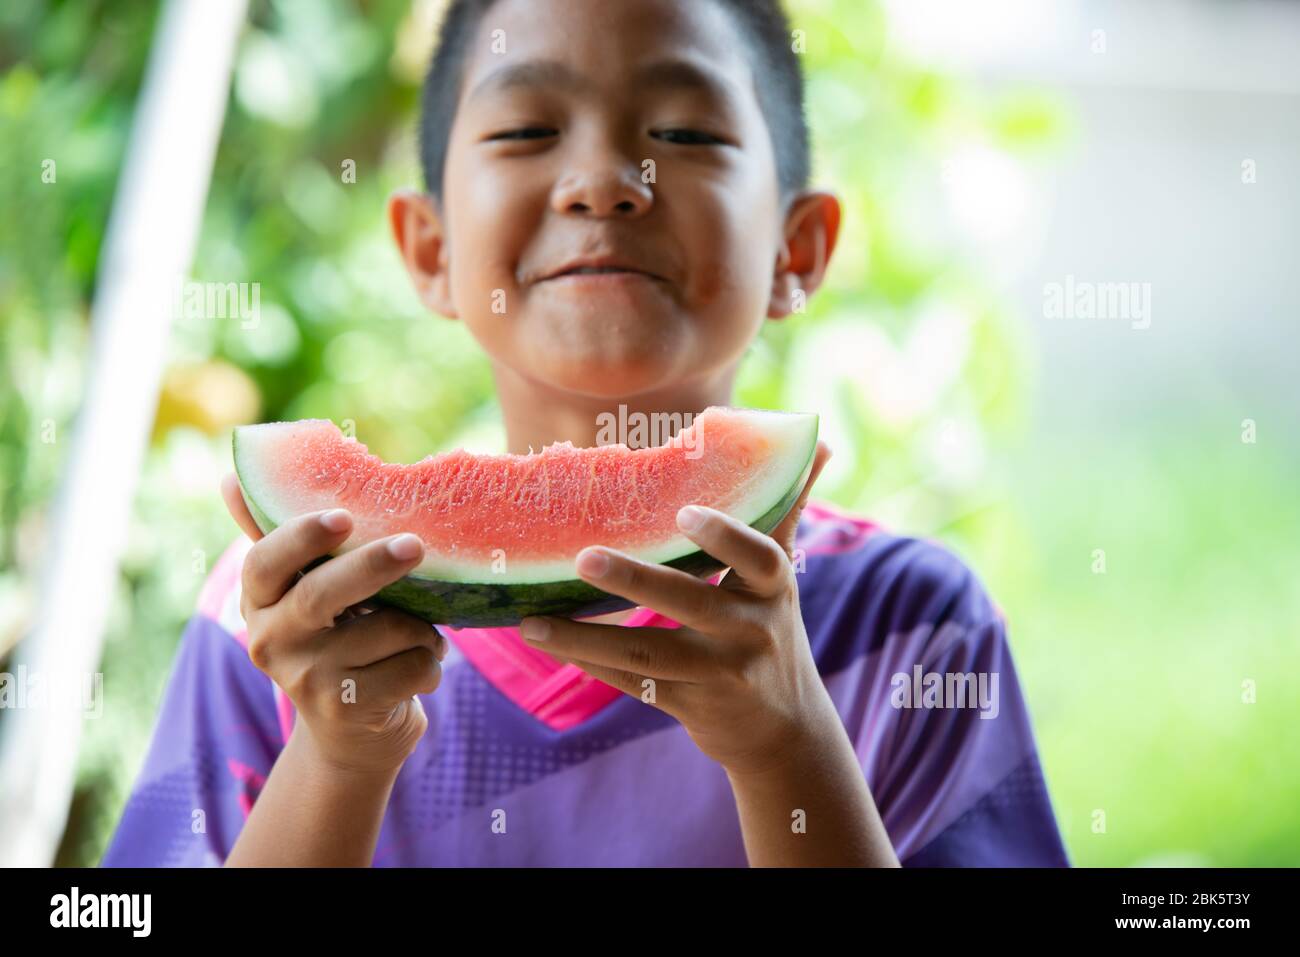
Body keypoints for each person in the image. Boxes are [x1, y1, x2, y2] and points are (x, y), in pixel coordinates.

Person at [101, 0, 1069, 867]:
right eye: (527, 129)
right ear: (430, 251)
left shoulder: (911, 628)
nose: (605, 182)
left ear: (797, 248)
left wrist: (786, 751)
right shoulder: (280, 619)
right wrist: (334, 762)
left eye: (685, 131)